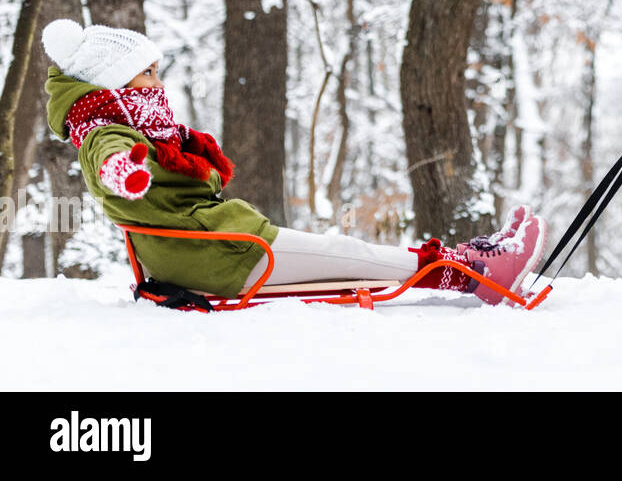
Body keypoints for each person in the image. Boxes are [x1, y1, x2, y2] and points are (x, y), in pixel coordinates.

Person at [42, 18, 547, 305]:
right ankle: (475, 273)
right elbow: (110, 164)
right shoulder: (105, 131)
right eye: (146, 74)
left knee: (346, 252)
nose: (157, 84)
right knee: (353, 257)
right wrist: (124, 174)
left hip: (217, 243)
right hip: (217, 254)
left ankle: (467, 261)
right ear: (115, 81)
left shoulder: (136, 126)